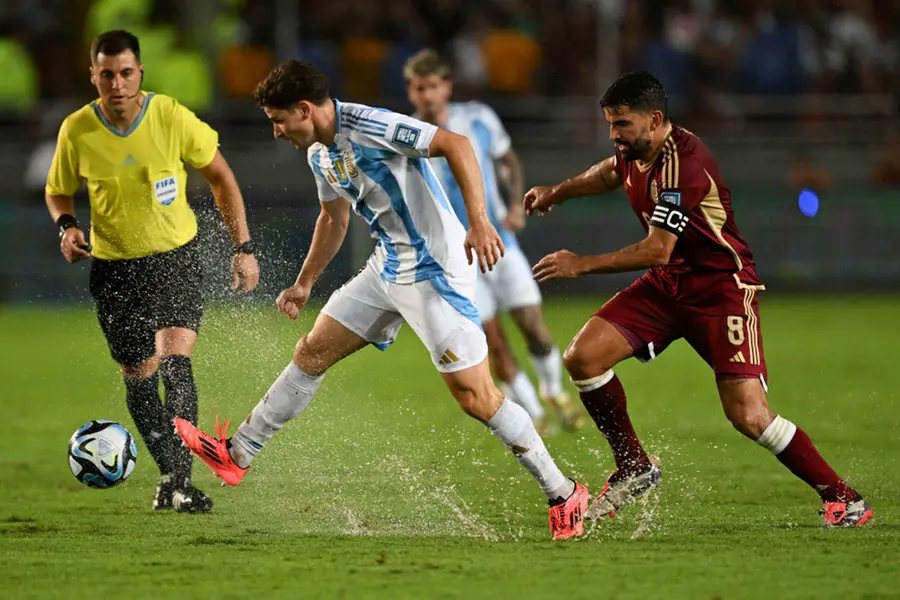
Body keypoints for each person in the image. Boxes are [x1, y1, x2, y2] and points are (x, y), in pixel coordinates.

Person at [173, 60, 589, 539]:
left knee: (476, 397)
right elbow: (333, 219)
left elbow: (456, 144)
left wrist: (479, 221)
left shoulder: (370, 125)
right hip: (387, 266)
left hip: (435, 271)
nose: (276, 132)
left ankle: (563, 492)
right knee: (311, 352)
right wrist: (305, 282)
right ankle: (238, 453)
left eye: (278, 120)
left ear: (304, 109)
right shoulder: (319, 154)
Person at [524, 71, 872, 528]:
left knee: (748, 415)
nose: (614, 136)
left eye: (622, 124)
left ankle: (845, 499)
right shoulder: (635, 150)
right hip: (668, 284)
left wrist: (581, 264)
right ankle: (633, 465)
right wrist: (558, 192)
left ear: (655, 120)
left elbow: (657, 249)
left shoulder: (683, 165)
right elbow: (609, 172)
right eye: (610, 124)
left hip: (720, 290)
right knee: (583, 357)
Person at [45, 30, 260, 513]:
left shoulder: (170, 116)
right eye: (107, 75)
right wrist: (67, 226)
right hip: (114, 269)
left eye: (126, 73)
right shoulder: (77, 130)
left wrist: (242, 246)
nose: (117, 84)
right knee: (139, 376)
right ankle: (170, 477)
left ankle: (182, 483)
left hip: (173, 258)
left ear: (140, 72)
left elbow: (221, 175)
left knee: (176, 360)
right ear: (93, 76)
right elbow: (57, 189)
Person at [403, 49, 583, 433]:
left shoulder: (478, 117)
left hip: (501, 242)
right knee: (493, 342)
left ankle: (553, 391)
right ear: (411, 92)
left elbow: (508, 160)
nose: (427, 95)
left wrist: (516, 205)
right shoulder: (406, 136)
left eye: (432, 86)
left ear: (446, 86)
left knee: (532, 325)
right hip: (456, 256)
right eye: (419, 88)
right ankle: (534, 415)